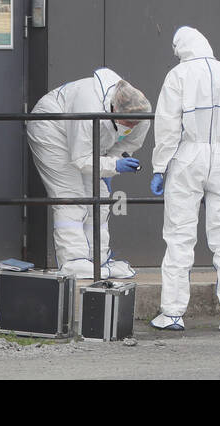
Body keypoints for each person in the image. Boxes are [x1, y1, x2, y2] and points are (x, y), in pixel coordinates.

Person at [149, 27, 220, 333]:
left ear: (181, 49)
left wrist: (160, 167)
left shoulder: (178, 75)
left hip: (188, 157)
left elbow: (167, 126)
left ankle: (172, 313)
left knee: (179, 237)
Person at [26, 69, 151, 279]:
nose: (131, 127)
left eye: (134, 124)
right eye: (127, 123)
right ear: (113, 109)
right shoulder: (89, 105)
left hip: (83, 144)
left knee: (99, 197)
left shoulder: (140, 113)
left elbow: (124, 145)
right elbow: (81, 159)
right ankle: (73, 261)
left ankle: (98, 259)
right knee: (72, 197)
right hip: (51, 128)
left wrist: (111, 167)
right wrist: (114, 165)